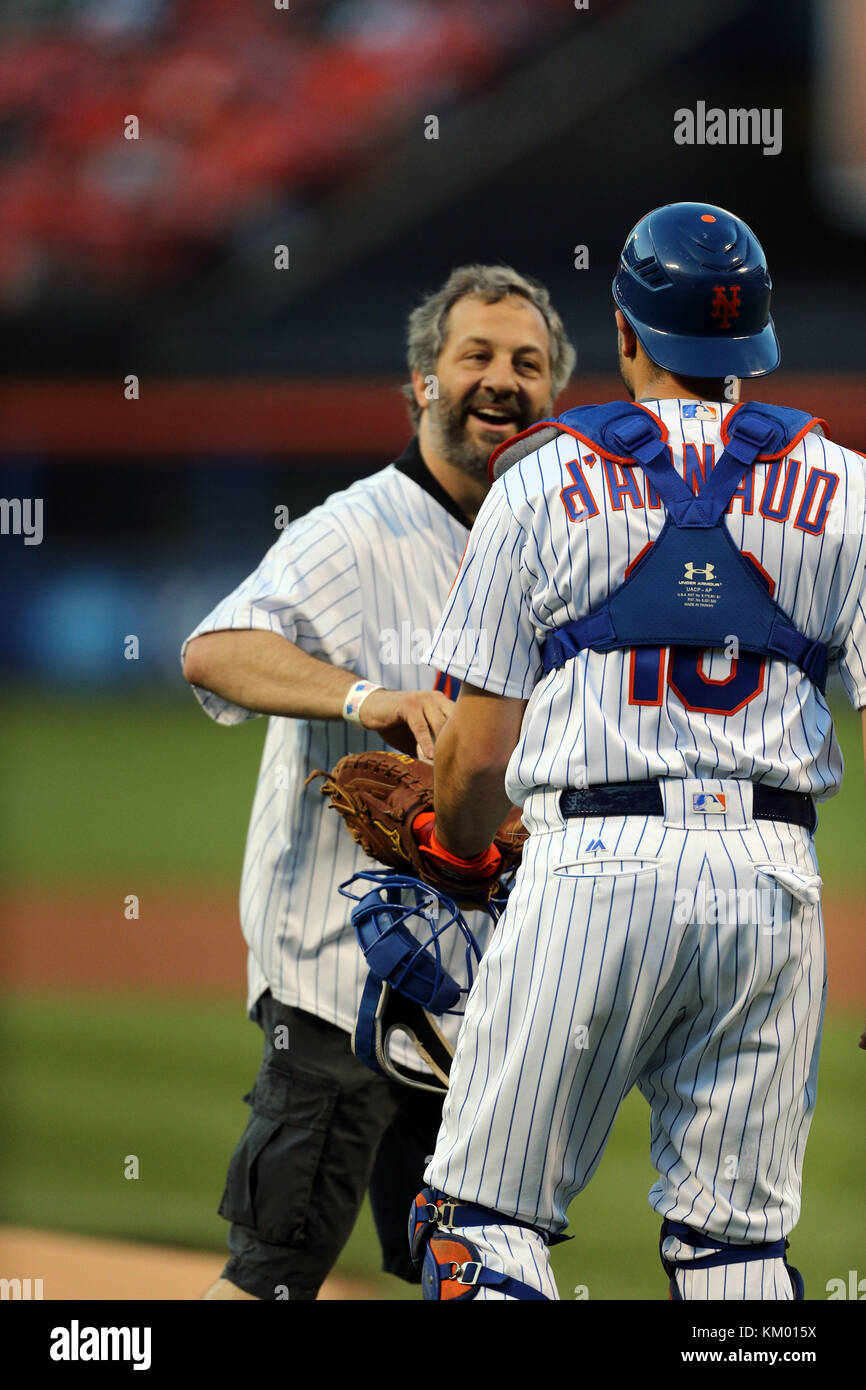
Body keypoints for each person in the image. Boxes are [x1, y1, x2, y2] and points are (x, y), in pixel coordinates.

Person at [413, 202, 866, 1301]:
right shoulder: (849, 488)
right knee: (734, 1251)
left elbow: (475, 761)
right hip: (773, 885)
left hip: (594, 867)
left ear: (622, 331)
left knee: (480, 1227)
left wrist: (456, 858)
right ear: (752, 342)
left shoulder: (532, 479)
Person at [180, 264, 576, 1300]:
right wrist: (370, 699)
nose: (502, 381)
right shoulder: (356, 530)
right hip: (334, 985)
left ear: (554, 394)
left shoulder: (552, 545)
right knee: (276, 1268)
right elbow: (215, 649)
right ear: (421, 385)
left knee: (472, 1267)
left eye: (526, 364)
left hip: (478, 1004)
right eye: (475, 357)